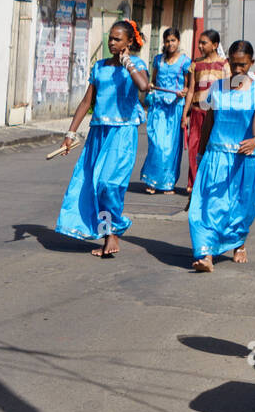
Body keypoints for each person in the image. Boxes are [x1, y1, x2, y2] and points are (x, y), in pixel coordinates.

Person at [54, 19, 151, 258]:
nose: (112, 43)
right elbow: (87, 102)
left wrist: (127, 62)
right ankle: (107, 233)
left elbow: (144, 86)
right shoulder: (99, 67)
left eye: (118, 39)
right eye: (110, 38)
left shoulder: (136, 64)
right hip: (98, 133)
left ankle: (114, 230)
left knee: (109, 184)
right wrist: (70, 133)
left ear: (129, 42)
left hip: (122, 134)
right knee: (94, 184)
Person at [186, 40, 255, 272]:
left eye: (243, 64)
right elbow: (209, 123)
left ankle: (239, 243)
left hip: (246, 157)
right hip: (216, 157)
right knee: (208, 205)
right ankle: (206, 254)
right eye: (234, 64)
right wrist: (200, 154)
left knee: (240, 206)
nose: (238, 69)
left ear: (252, 63)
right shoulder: (217, 88)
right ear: (227, 61)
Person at [140, 27, 192, 195]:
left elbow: (188, 86)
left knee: (170, 147)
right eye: (167, 41)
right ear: (164, 42)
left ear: (178, 41)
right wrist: (151, 87)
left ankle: (167, 183)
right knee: (156, 144)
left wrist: (183, 92)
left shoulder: (185, 61)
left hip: (175, 107)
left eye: (173, 40)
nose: (170, 44)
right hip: (158, 106)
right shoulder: (158, 60)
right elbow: (153, 81)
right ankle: (152, 181)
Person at [184, 30, 229, 196]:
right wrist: (185, 114)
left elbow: (228, 91)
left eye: (204, 43)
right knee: (194, 147)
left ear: (215, 45)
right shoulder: (195, 64)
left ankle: (210, 182)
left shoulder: (224, 65)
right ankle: (194, 183)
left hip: (215, 114)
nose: (200, 46)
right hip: (197, 111)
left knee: (213, 147)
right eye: (199, 43)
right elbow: (190, 91)